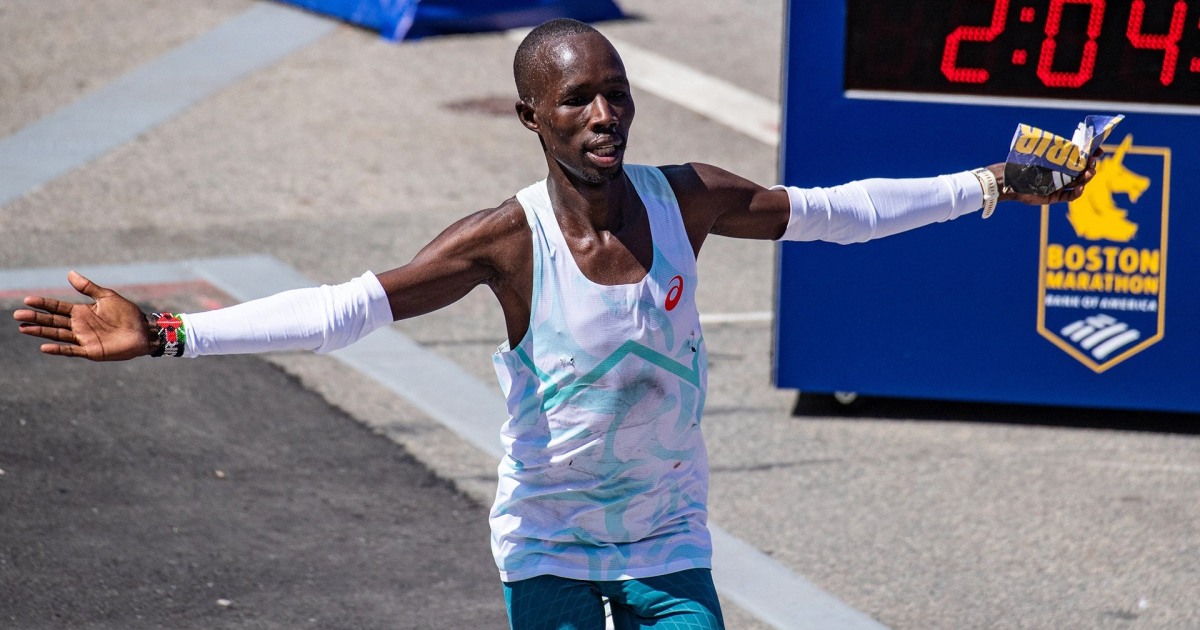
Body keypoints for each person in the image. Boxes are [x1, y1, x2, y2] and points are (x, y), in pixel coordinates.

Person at [13, 18, 1096, 630]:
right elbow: (350, 309)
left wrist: (997, 182)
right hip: (553, 548)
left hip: (668, 542)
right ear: (533, 117)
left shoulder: (690, 200)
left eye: (615, 91)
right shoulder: (504, 242)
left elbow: (842, 215)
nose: (603, 113)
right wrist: (169, 335)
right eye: (575, 99)